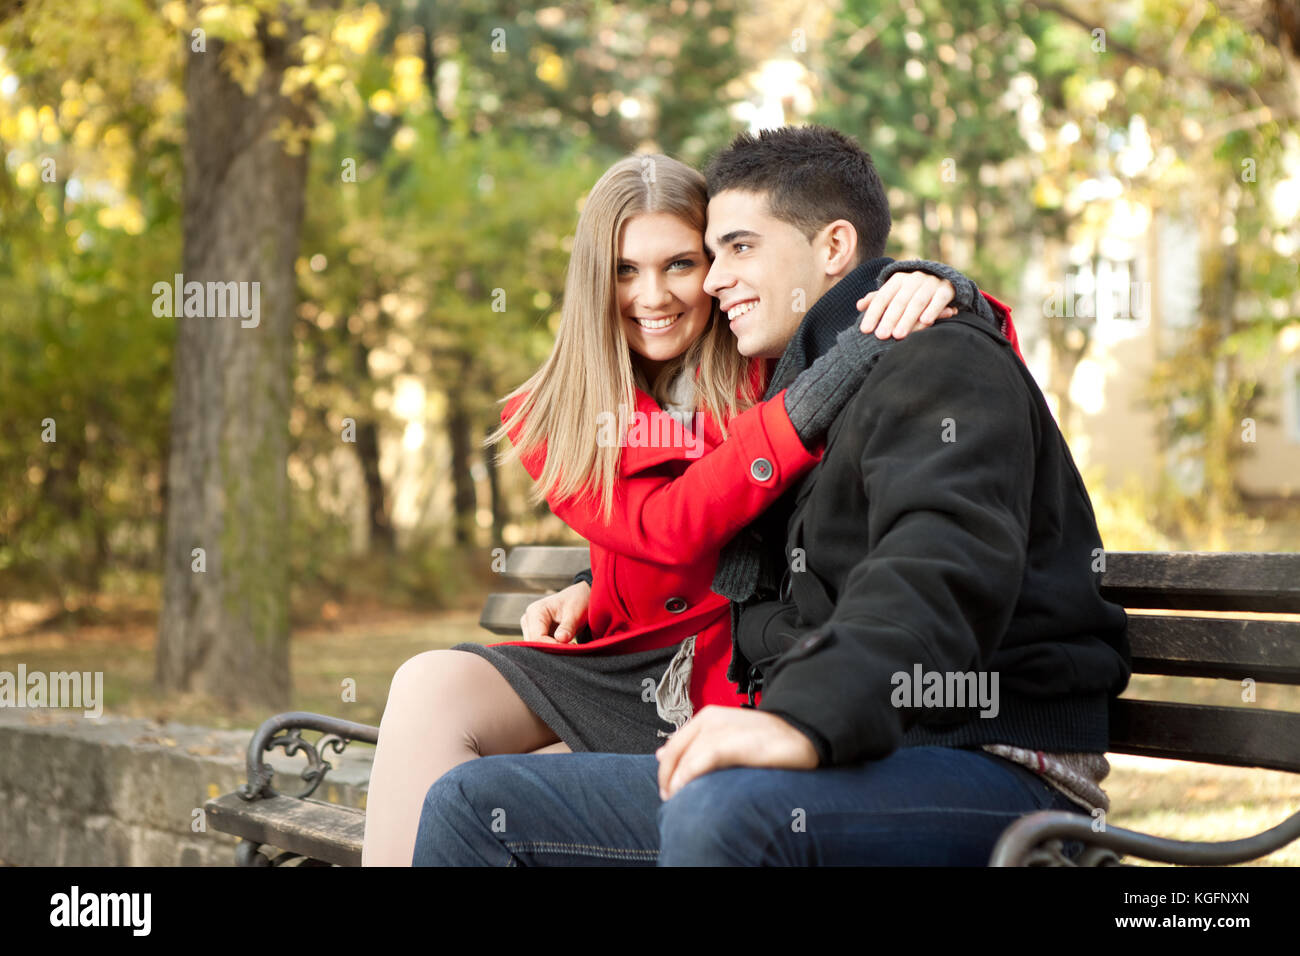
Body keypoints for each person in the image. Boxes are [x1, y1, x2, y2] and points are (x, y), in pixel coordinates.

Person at [410, 125, 1131, 867]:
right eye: (713, 254)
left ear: (832, 248)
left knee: (724, 812)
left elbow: (937, 567)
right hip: (854, 752)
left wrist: (803, 718)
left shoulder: (938, 360)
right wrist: (593, 582)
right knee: (473, 806)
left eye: (739, 248)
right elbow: (688, 517)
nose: (714, 280)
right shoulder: (808, 387)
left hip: (990, 761)